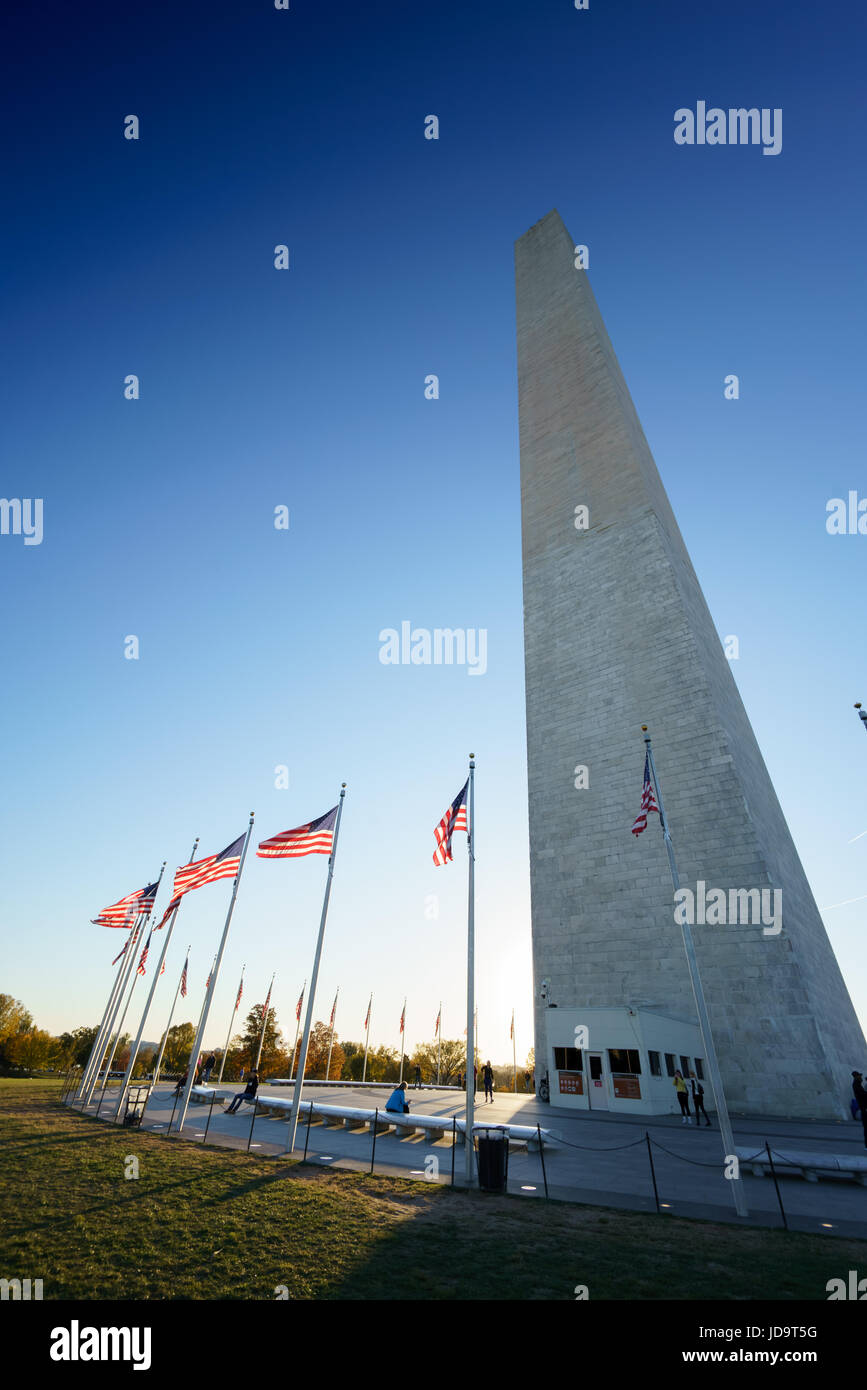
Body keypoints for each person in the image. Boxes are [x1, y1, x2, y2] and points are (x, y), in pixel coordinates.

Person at [852, 1072, 867, 1148]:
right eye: (860, 1076)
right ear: (857, 1077)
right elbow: (862, 1095)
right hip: (864, 1108)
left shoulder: (858, 1084)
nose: (861, 1078)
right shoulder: (856, 1085)